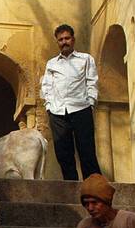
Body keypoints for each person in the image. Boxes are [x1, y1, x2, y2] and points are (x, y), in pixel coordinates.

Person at [40, 23, 101, 181]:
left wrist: (91, 103)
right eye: (60, 39)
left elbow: (91, 82)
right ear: (57, 42)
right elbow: (47, 86)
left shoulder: (85, 59)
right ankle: (71, 187)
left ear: (73, 40)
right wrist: (48, 106)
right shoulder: (52, 64)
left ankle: (94, 187)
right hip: (58, 111)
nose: (64, 42)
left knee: (86, 151)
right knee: (63, 153)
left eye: (67, 38)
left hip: (81, 108)